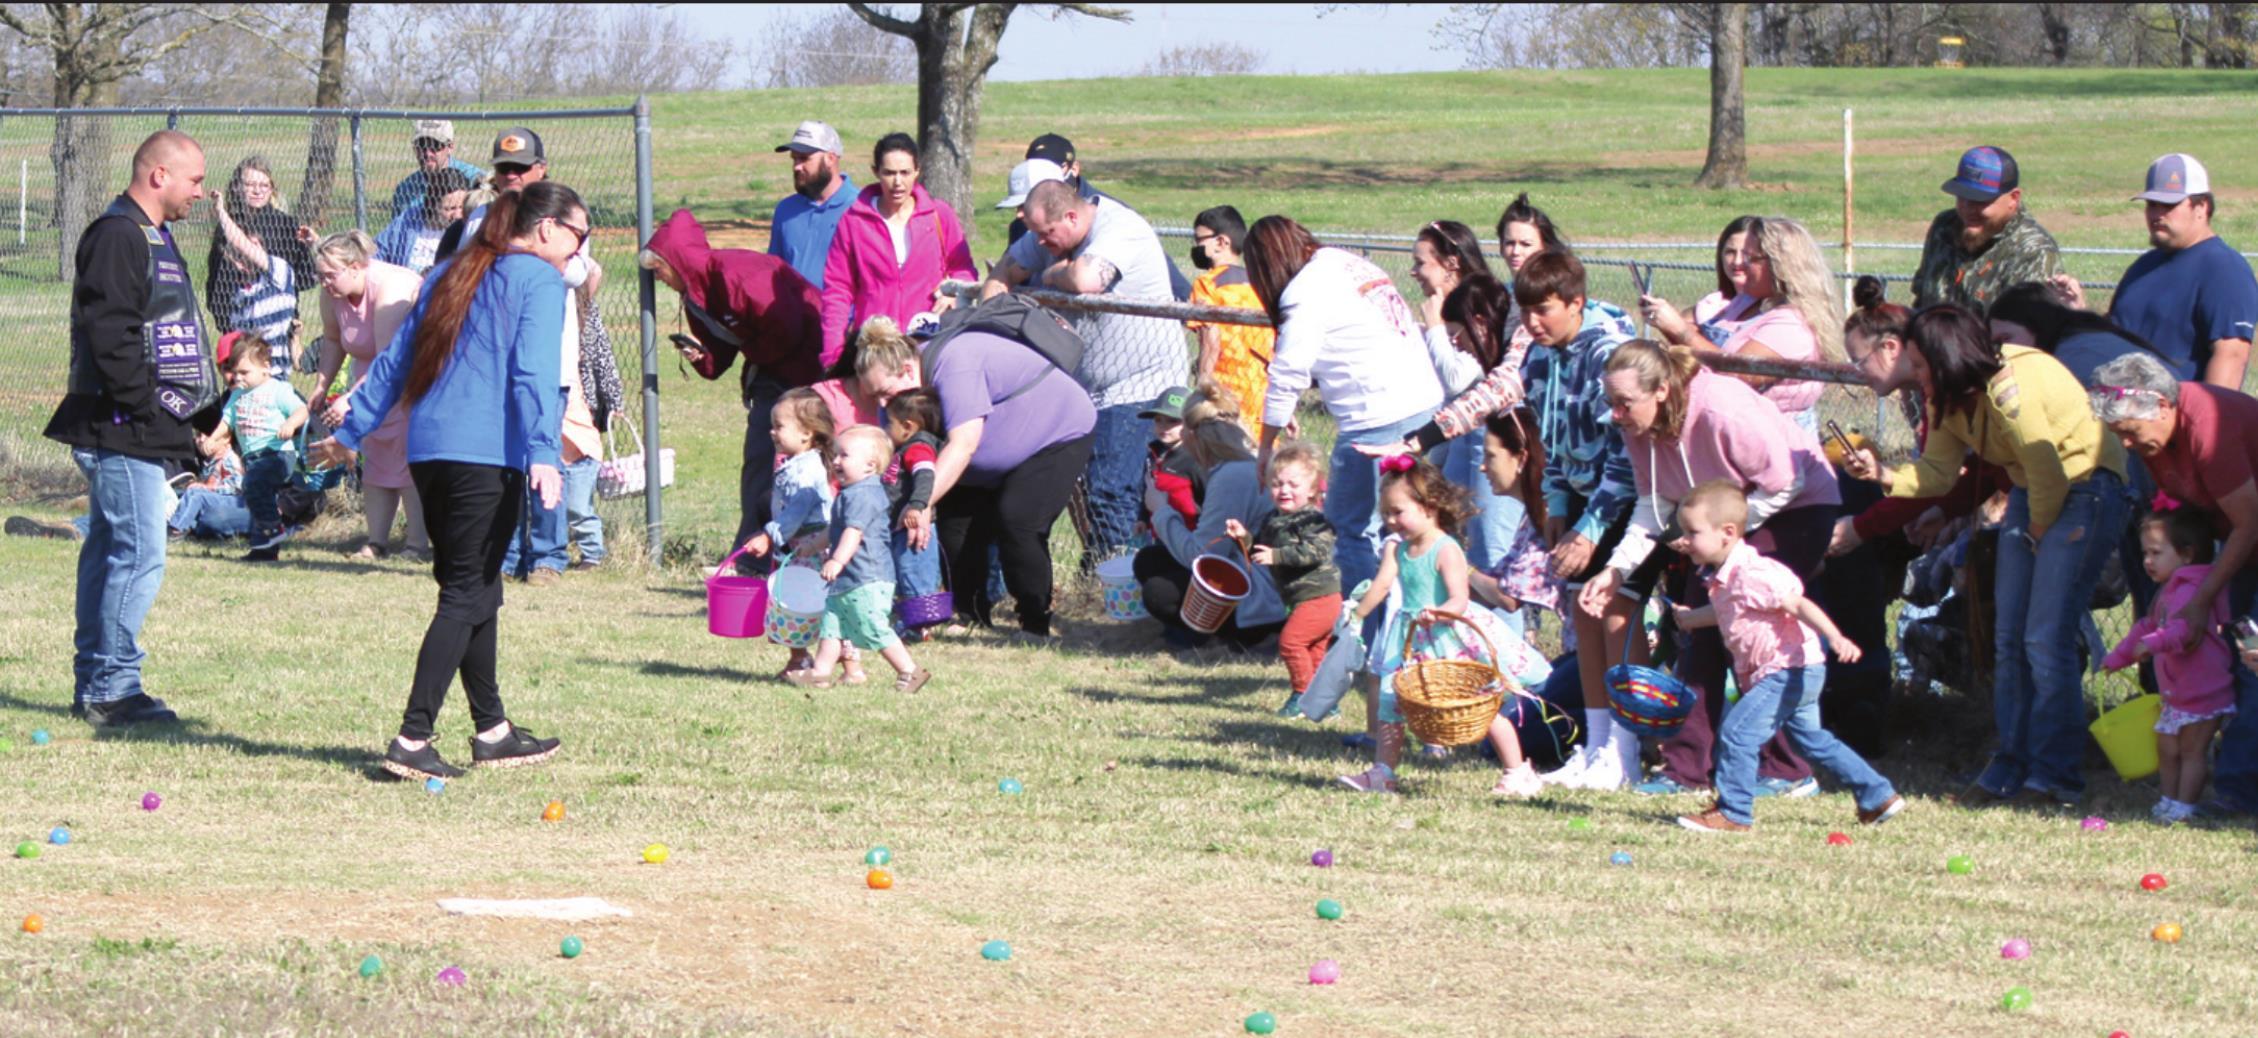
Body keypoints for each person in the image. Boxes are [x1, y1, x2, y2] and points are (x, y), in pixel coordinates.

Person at [311, 182, 588, 781]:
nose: (578, 250)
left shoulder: (448, 274)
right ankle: (412, 739)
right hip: (486, 454)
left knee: (478, 587)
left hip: (431, 451)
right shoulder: (537, 280)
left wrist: (351, 430)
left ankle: (492, 729)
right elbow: (533, 372)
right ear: (545, 229)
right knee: (465, 593)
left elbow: (394, 363)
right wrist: (543, 450)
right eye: (578, 236)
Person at [1843, 305, 2130, 807]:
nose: (1917, 374)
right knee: (2007, 637)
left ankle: (2055, 774)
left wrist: (2037, 534)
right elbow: (1936, 473)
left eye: (1922, 363)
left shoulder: (2010, 386)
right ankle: (2011, 762)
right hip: (2032, 493)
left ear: (1948, 356)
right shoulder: (1945, 399)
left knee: (2045, 637)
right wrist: (1883, 475)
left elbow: (2047, 470)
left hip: (2086, 487)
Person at [1582, 340, 1842, 797]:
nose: (1617, 415)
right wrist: (1616, 570)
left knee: (1759, 631)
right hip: (1718, 521)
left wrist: (1725, 537)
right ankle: (1686, 770)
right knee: (1698, 626)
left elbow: (1786, 481)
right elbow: (1654, 504)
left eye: (1625, 403)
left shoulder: (1720, 410)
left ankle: (1788, 770)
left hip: (1791, 508)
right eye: (1611, 403)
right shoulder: (1637, 428)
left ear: (1662, 390)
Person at [44, 130, 211, 727]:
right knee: (139, 555)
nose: (202, 192)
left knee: (112, 553)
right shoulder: (117, 235)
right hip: (119, 426)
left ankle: (96, 679)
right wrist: (145, 408)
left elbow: (171, 333)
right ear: (159, 175)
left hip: (138, 424)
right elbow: (110, 333)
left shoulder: (153, 237)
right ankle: (113, 687)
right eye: (194, 180)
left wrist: (195, 415)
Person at [1666, 481, 1905, 834]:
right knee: (1814, 740)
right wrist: (1690, 619)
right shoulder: (1729, 578)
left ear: (1727, 533)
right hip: (1794, 671)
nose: (1684, 540)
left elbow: (1797, 602)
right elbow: (1728, 611)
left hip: (1786, 670)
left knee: (1738, 733)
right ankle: (1877, 794)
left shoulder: (1754, 572)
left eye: (1692, 532)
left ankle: (1734, 812)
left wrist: (1834, 636)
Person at [2086, 351, 2258, 817]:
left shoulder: (2207, 430)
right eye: (2117, 433)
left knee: (2253, 663)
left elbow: (2249, 523)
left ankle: (2237, 796)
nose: (2125, 443)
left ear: (2161, 405)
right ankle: (2234, 789)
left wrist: (2201, 599)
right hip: (2244, 553)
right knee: (2245, 660)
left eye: (2128, 430)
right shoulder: (2156, 442)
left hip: (2250, 539)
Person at [857, 309, 1095, 638]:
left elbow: (964, 444)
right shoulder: (906, 395)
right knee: (955, 523)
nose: (883, 405)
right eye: (875, 397)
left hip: (1058, 431)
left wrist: (921, 502)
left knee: (1018, 520)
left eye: (885, 392)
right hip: (992, 453)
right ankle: (970, 613)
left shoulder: (956, 363)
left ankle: (1034, 621)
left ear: (908, 369)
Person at [1243, 216, 1443, 596]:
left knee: (1348, 528)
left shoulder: (1304, 291)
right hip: (1426, 405)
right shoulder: (1345, 262)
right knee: (1415, 522)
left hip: (1376, 417)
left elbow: (1287, 373)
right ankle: (1417, 619)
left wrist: (1266, 444)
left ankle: (1365, 630)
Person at [642, 209, 826, 570]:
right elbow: (720, 359)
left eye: (659, 270)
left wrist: (753, 353)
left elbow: (785, 327)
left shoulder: (736, 273)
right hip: (772, 374)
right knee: (759, 460)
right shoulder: (695, 299)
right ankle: (753, 557)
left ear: (677, 261)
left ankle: (811, 553)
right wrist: (700, 357)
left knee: (811, 465)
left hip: (813, 368)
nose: (659, 279)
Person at [1014, 179, 1185, 564]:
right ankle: (1107, 572)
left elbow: (1086, 281)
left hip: (1141, 383)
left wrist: (1053, 275)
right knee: (1087, 487)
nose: (1040, 244)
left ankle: (1115, 580)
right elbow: (1005, 271)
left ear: (1072, 216)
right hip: (1085, 387)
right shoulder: (1049, 236)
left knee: (1112, 488)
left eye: (1047, 234)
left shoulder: (1120, 228)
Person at [1337, 456, 1475, 795]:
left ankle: (1516, 768)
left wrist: (1440, 612)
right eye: (1385, 513)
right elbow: (1382, 585)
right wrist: (1357, 614)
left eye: (1398, 512)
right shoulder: (1399, 550)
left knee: (1462, 705)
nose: (1390, 520)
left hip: (1440, 639)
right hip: (1407, 637)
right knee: (1389, 702)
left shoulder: (1446, 549)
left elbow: (1460, 598)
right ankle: (1383, 772)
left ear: (1429, 506)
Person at [2100, 509, 2236, 824]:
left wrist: (2155, 643)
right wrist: (2120, 657)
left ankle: (2185, 805)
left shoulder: (2191, 590)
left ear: (2187, 554)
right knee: (2168, 749)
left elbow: (2184, 629)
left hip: (2204, 691)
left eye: (2156, 553)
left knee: (2191, 751)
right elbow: (2146, 625)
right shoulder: (2168, 588)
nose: (2147, 560)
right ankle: (2168, 799)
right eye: (2145, 553)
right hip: (2177, 693)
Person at [1644, 216, 1840, 434]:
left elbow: (1736, 377)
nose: (1739, 263)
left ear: (1782, 266)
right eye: (1730, 253)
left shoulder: (1792, 324)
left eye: (1752, 258)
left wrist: (1679, 330)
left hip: (1776, 442)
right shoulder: (1746, 301)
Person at [2079, 154, 2257, 389]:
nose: (2157, 215)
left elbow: (2231, 357)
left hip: (2174, 419)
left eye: (2169, 205)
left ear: (2201, 207)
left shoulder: (2225, 270)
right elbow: (2116, 337)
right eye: (2152, 204)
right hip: (2119, 412)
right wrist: (2079, 312)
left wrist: (2207, 423)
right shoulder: (2143, 267)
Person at [1132, 386, 1287, 649]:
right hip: (1260, 576)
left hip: (1261, 601)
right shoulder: (1242, 464)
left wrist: (1160, 511)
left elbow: (1203, 556)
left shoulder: (1231, 477)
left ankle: (1231, 636)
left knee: (1159, 592)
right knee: (1150, 560)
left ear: (1191, 435)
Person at [785, 426, 936, 694]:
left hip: (867, 578)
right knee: (832, 627)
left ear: (870, 465)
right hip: (848, 579)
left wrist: (837, 561)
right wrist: (810, 546)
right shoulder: (850, 493)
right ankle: (820, 671)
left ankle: (910, 671)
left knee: (873, 628)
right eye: (836, 455)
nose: (836, 462)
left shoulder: (864, 495)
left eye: (844, 455)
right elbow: (836, 531)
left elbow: (853, 533)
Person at [309, 230, 428, 561]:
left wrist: (351, 399)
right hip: (364, 380)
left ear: (357, 266)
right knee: (374, 462)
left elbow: (389, 358)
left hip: (403, 380)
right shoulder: (332, 293)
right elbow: (333, 340)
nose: (324, 283)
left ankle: (417, 544)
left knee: (405, 463)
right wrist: (322, 385)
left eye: (330, 275)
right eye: (320, 275)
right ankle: (376, 541)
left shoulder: (391, 288)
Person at [819, 132, 977, 363]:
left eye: (904, 173)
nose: (897, 182)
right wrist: (832, 355)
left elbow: (963, 270)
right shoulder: (853, 221)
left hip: (929, 345)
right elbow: (837, 291)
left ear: (917, 172)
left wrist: (953, 295)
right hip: (876, 350)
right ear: (876, 173)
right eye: (889, 173)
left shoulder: (939, 215)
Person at [1225, 441, 1339, 717]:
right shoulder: (1273, 519)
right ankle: (1326, 704)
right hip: (1300, 598)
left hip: (1322, 596)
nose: (1284, 490)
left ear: (1313, 488)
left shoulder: (1313, 520)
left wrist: (1277, 556)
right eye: (1277, 484)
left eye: (1293, 484)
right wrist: (1244, 538)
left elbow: (1316, 551)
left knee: (1291, 643)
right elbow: (1261, 552)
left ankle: (1302, 696)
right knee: (1312, 651)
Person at [748, 387, 839, 675]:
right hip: (798, 545)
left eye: (779, 426)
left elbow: (796, 513)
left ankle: (832, 659)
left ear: (807, 433)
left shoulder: (805, 471)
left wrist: (769, 535)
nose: (772, 432)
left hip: (810, 546)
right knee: (796, 603)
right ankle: (799, 657)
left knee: (802, 603)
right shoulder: (795, 464)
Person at [1910, 145, 2064, 313]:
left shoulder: (2033, 251)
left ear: (2013, 198)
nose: (1967, 209)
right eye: (1962, 197)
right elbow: (1921, 300)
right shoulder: (1944, 227)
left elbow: (2031, 330)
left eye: (1979, 200)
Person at [204, 156, 313, 371]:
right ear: (237, 187)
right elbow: (215, 280)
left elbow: (305, 277)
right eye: (250, 185)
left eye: (264, 185)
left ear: (272, 189)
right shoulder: (226, 226)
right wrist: (225, 322)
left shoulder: (285, 224)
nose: (258, 191)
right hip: (237, 320)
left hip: (275, 323)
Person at [219, 338, 309, 562]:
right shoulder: (237, 395)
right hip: (253, 457)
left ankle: (274, 529)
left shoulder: (277, 390)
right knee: (259, 497)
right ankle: (264, 550)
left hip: (277, 453)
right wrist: (213, 438)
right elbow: (226, 421)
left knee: (253, 485)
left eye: (245, 372)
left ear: (266, 367)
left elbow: (302, 410)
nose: (238, 378)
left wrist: (290, 424)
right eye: (234, 372)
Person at [1186, 205, 1272, 434]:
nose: (1196, 247)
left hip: (1224, 391)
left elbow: (1210, 339)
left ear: (1222, 242)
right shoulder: (1260, 285)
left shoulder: (1208, 284)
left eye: (1199, 240)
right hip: (1260, 392)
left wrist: (1202, 387)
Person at [881, 388, 947, 633]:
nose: (886, 429)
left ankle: (921, 626)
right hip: (899, 527)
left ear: (908, 427)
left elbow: (925, 474)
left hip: (912, 527)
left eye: (890, 423)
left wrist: (917, 505)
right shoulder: (906, 448)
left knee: (914, 573)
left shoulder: (917, 448)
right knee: (902, 573)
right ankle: (909, 622)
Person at [770, 120, 855, 289]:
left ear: (830, 158)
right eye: (794, 159)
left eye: (804, 158)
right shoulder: (786, 210)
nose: (797, 167)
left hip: (845, 315)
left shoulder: (860, 208)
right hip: (792, 314)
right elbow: (774, 272)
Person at [375, 168, 472, 275]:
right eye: (450, 208)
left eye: (462, 207)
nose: (457, 215)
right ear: (432, 205)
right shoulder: (410, 219)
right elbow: (378, 250)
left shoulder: (467, 229)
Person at [387, 119, 484, 225]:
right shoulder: (405, 189)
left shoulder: (474, 180)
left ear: (450, 146)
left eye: (435, 145)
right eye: (422, 144)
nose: (428, 153)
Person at [168, 427, 249, 541]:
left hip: (232, 500)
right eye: (198, 436)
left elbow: (236, 487)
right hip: (215, 498)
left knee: (197, 496)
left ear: (225, 439)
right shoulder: (210, 461)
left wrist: (209, 489)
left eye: (207, 436)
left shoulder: (229, 458)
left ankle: (176, 529)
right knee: (182, 493)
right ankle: (186, 525)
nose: (201, 440)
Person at [1140, 386, 1202, 528]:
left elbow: (1209, 502)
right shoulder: (1153, 454)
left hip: (1190, 538)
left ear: (1191, 423)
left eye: (1172, 421)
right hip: (1160, 534)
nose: (1164, 426)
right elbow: (1148, 492)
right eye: (1158, 420)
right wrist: (1143, 519)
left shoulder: (1196, 459)